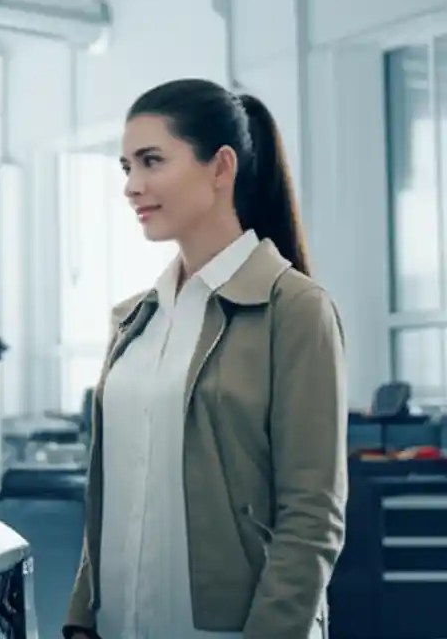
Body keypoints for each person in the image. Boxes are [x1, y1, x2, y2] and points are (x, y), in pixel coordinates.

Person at [63, 78, 347, 639]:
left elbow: (313, 517)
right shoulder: (134, 320)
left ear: (221, 167)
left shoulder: (294, 309)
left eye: (151, 161)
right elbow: (113, 496)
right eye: (126, 168)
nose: (132, 186)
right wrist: (80, 619)